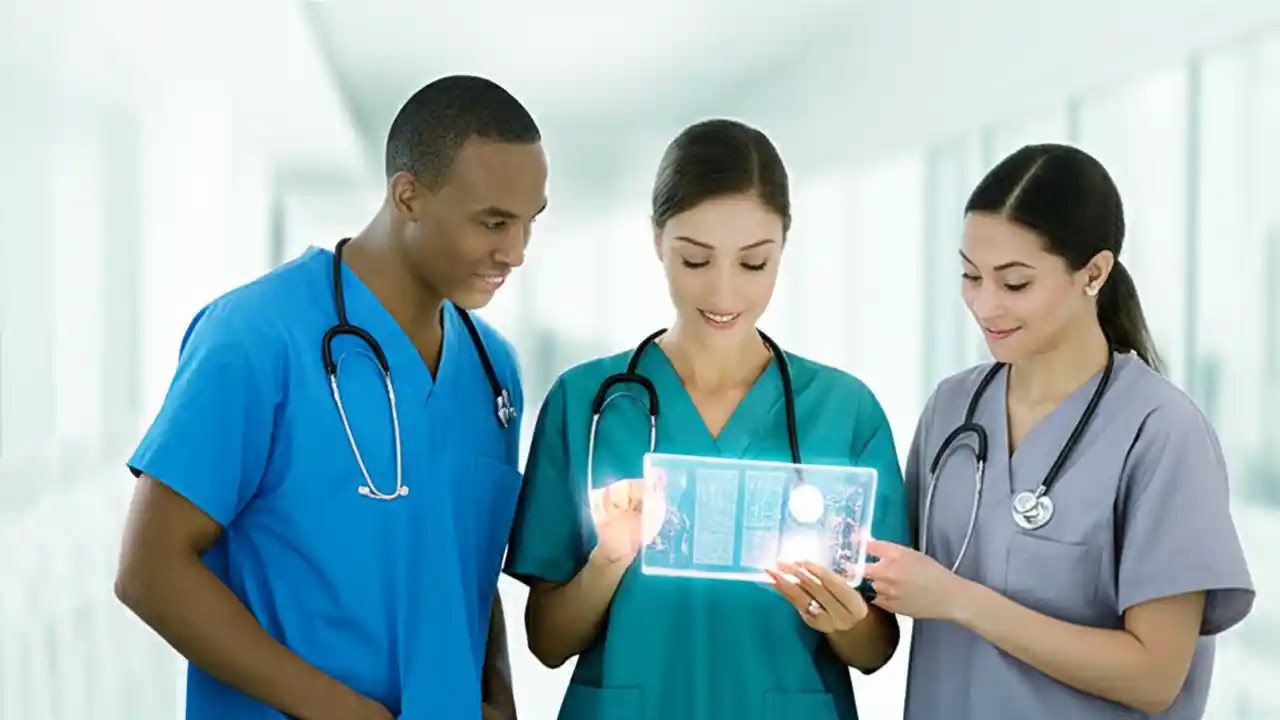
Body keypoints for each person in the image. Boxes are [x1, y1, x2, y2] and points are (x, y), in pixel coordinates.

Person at [112, 75, 548, 720]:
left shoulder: (494, 371)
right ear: (408, 196)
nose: (514, 252)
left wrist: (499, 699)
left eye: (529, 223)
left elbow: (464, 569)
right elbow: (151, 572)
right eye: (493, 222)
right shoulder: (256, 336)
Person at [502, 118, 911, 720]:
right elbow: (547, 641)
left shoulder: (846, 411)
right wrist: (610, 557)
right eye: (695, 260)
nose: (724, 292)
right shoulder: (587, 402)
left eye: (753, 264)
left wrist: (839, 615)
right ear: (656, 241)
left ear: (784, 248)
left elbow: (876, 650)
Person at [862, 143, 1256, 719]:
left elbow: (1154, 676)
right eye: (971, 276)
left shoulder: (1160, 432)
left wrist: (958, 600)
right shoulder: (954, 408)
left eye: (1015, 283)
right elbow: (890, 583)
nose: (985, 304)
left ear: (1093, 272)